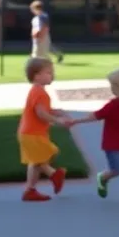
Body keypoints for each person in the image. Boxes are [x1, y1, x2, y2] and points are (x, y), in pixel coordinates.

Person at [67, 67, 119, 209]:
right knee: (118, 169)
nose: (111, 89)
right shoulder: (113, 105)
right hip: (112, 144)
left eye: (114, 86)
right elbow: (96, 115)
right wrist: (77, 121)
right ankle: (103, 177)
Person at [18, 56, 70, 202]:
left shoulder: (37, 91)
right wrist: (58, 120)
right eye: (48, 72)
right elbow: (41, 114)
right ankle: (52, 177)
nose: (52, 75)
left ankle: (33, 188)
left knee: (37, 161)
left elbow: (43, 110)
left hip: (30, 133)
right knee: (43, 157)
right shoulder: (39, 92)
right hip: (33, 133)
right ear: (36, 75)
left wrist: (56, 112)